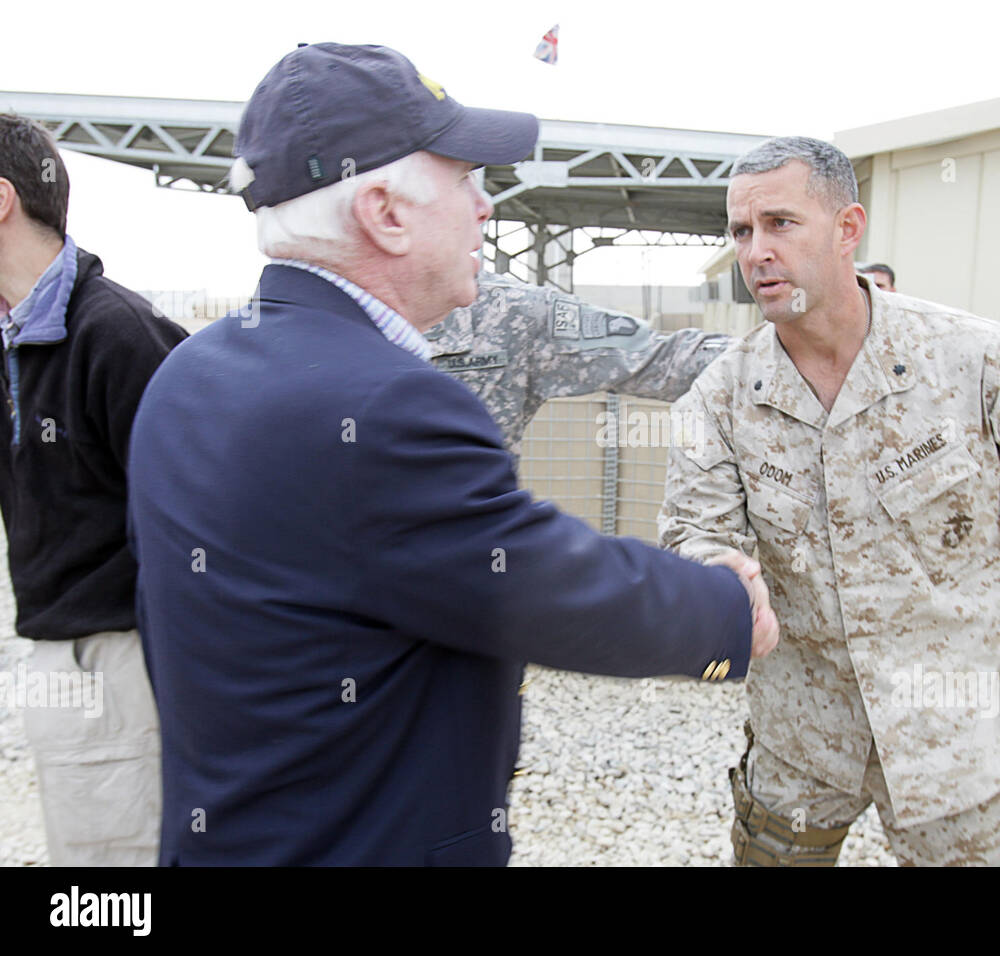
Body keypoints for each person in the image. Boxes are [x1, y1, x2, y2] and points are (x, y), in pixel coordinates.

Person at [126, 43, 778, 867]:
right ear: (384, 212)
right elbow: (530, 579)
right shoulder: (387, 402)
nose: (485, 204)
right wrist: (721, 606)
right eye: (464, 176)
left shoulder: (189, 372)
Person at [659, 136, 1000, 866]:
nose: (755, 253)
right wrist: (721, 574)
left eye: (780, 223)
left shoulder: (984, 364)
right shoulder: (717, 399)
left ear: (848, 229)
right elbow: (694, 529)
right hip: (803, 739)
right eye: (741, 232)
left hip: (960, 740)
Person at [0, 113, 187, 865]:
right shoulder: (17, 339)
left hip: (116, 665)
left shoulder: (118, 335)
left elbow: (196, 526)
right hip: (64, 664)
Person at [428, 272, 731, 456]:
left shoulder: (507, 312)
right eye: (456, 182)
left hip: (471, 554)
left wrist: (771, 351)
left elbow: (663, 360)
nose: (482, 206)